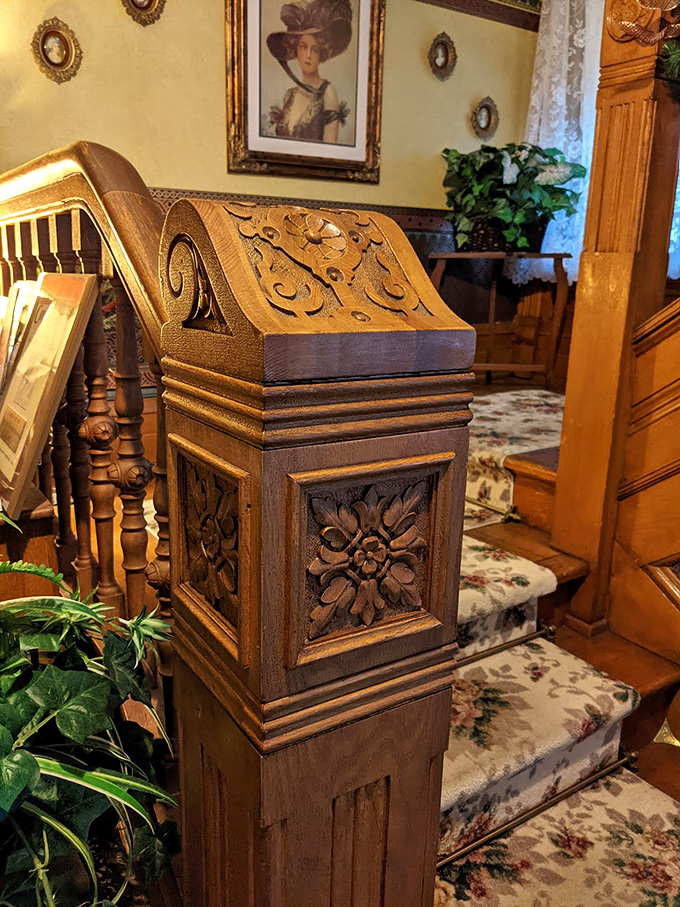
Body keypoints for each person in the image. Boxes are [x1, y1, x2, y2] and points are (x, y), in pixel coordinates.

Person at [266, 0, 352, 144]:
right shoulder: (289, 95)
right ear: (295, 50)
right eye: (303, 47)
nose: (308, 55)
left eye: (315, 49)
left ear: (321, 54)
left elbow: (330, 150)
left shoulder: (328, 92)